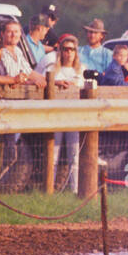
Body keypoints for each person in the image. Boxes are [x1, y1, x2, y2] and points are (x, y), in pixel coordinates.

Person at [38, 34, 83, 193]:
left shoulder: (80, 70)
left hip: (73, 116)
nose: (68, 52)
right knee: (53, 154)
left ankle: (75, 190)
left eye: (72, 49)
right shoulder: (52, 68)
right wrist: (56, 82)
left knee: (74, 155)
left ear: (76, 52)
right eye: (65, 49)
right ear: (60, 51)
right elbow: (41, 80)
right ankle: (49, 189)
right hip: (56, 115)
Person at [0, 20, 45, 89]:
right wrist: (30, 82)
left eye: (16, 32)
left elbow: (29, 72)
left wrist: (52, 81)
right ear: (2, 34)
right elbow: (7, 77)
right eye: (10, 32)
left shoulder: (18, 51)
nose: (13, 35)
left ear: (20, 34)